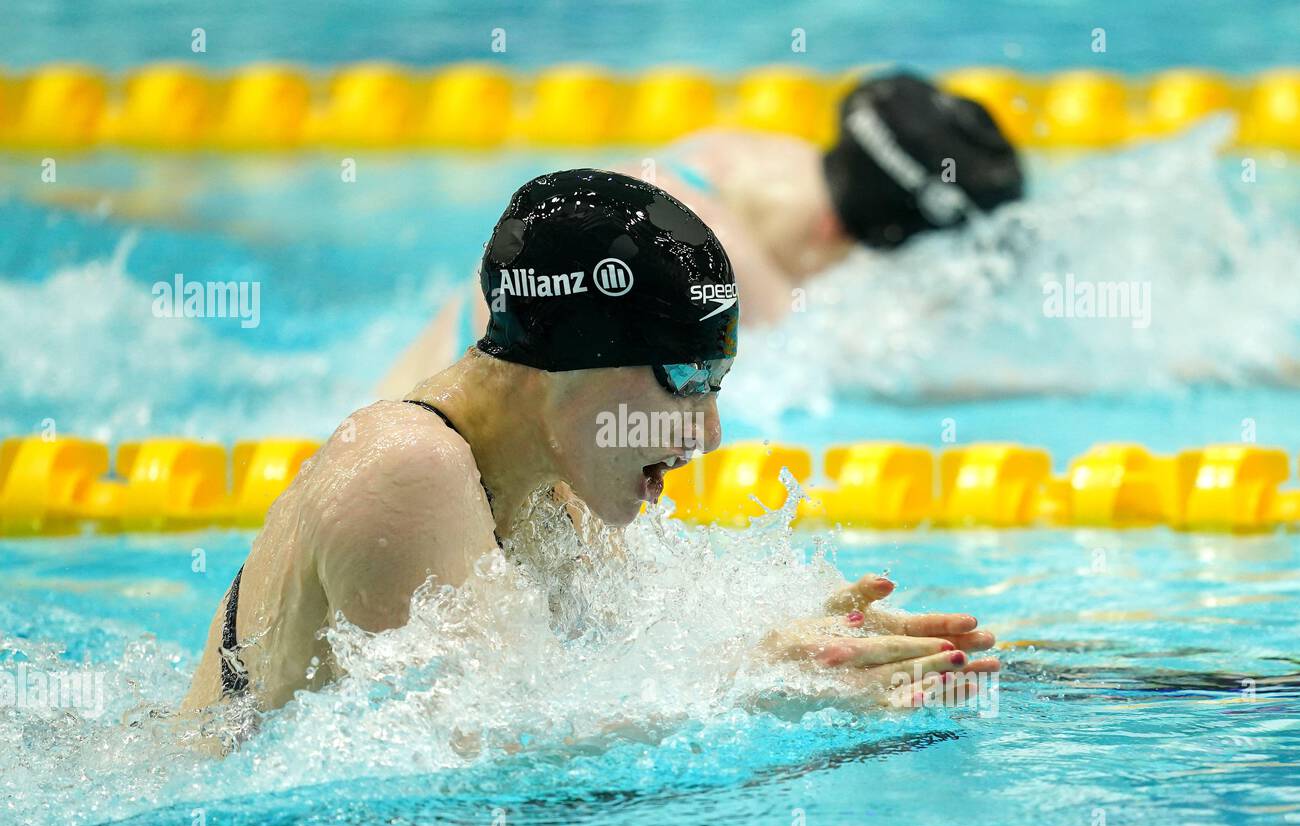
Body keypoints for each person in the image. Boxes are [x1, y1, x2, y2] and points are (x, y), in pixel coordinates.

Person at [182, 168, 997, 726]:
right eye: (685, 376)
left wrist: (799, 649)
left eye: (718, 383)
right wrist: (773, 692)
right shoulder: (408, 468)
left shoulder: (544, 476)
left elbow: (596, 675)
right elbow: (487, 758)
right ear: (569, 361)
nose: (706, 434)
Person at [377, 71, 1024, 398]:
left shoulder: (741, 155)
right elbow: (865, 374)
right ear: (835, 233)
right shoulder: (718, 268)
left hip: (387, 403)